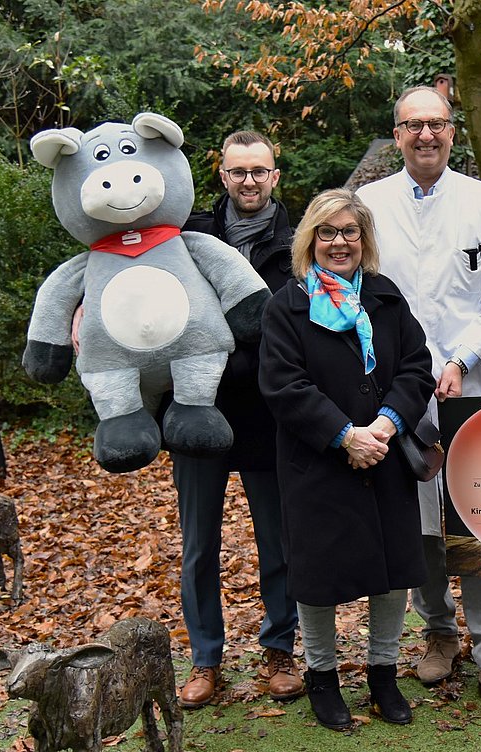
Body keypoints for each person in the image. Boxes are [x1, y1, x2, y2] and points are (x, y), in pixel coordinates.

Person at [356, 86, 481, 715]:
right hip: (396, 386)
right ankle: (438, 632)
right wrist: (404, 371)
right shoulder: (369, 206)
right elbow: (358, 292)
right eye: (413, 125)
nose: (426, 135)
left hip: (472, 381)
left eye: (437, 124)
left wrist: (458, 360)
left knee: (477, 520)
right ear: (396, 134)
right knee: (418, 520)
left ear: (452, 132)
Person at [258, 189, 436, 730]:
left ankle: (383, 675)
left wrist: (383, 425)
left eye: (350, 232)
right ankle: (323, 677)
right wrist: (344, 435)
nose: (340, 242)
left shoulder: (385, 297)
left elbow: (416, 367)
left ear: (365, 239)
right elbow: (284, 385)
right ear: (310, 240)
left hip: (384, 453)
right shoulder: (286, 305)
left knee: (390, 569)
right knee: (318, 575)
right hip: (319, 462)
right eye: (328, 232)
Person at [176, 131, 301, 707]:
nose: (248, 180)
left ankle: (279, 650)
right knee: (199, 543)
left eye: (259, 170)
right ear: (221, 175)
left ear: (275, 175)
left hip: (270, 413)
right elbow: (126, 277)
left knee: (277, 540)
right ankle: (205, 658)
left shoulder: (301, 239)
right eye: (237, 171)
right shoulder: (185, 236)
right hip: (198, 409)